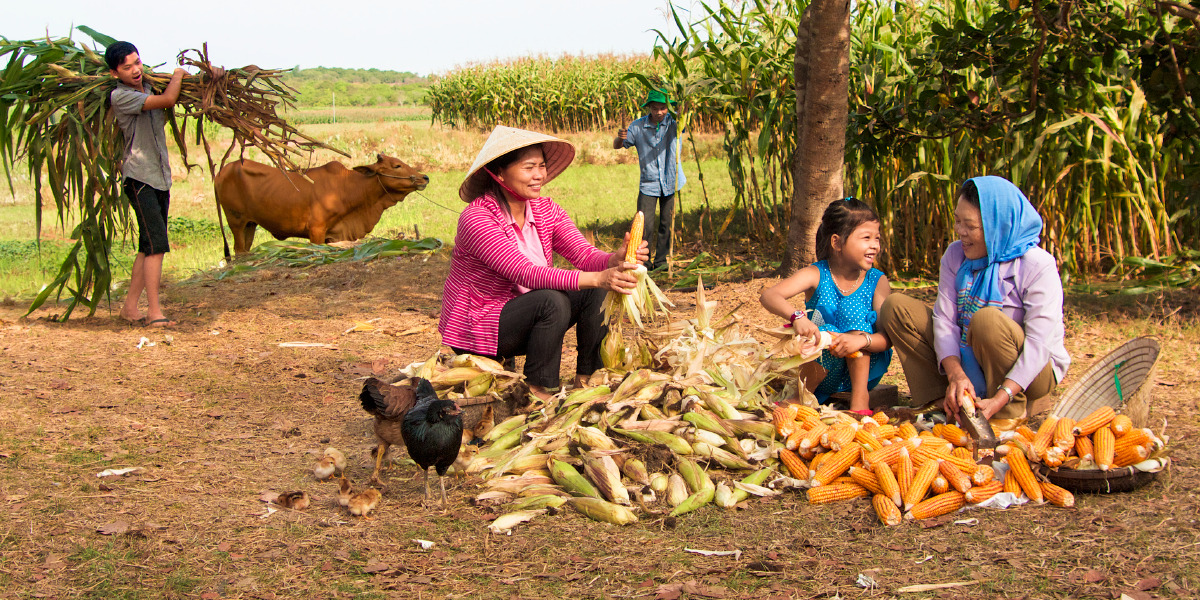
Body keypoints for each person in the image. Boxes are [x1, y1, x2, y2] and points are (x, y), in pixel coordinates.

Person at [440, 126, 649, 401]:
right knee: (554, 300)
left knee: (596, 290)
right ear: (499, 173)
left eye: (542, 166)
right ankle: (538, 389)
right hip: (482, 324)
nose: (539, 175)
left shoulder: (545, 209)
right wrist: (600, 276)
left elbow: (584, 256)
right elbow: (524, 272)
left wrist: (615, 259)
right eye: (528, 168)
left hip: (528, 311)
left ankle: (588, 379)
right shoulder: (477, 218)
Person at [877, 176, 1070, 431]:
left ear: (997, 226)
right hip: (968, 355)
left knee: (986, 319)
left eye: (970, 226)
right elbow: (945, 321)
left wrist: (1003, 396)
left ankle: (1008, 410)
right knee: (896, 307)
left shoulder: (1037, 265)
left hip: (1031, 372)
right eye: (958, 221)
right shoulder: (955, 255)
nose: (960, 232)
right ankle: (943, 400)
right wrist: (956, 374)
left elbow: (1038, 345)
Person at [760, 198, 893, 414]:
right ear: (837, 242)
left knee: (854, 320)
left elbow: (887, 339)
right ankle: (801, 397)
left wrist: (860, 340)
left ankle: (859, 402)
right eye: (866, 238)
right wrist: (797, 317)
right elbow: (770, 295)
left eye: (877, 238)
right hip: (821, 367)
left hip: (864, 367)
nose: (875, 245)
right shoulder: (817, 274)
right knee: (820, 334)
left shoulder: (877, 281)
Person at [107, 41, 186, 327]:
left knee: (147, 244)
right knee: (157, 245)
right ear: (116, 73)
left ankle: (130, 307)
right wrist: (177, 76)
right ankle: (154, 312)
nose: (135, 70)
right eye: (127, 67)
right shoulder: (121, 96)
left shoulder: (150, 88)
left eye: (137, 63)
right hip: (139, 178)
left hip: (160, 177)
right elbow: (168, 101)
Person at [613, 89, 685, 271]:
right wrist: (619, 138)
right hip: (648, 183)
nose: (659, 112)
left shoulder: (675, 122)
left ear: (668, 108)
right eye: (655, 108)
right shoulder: (637, 127)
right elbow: (618, 145)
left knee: (667, 224)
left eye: (663, 108)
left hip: (671, 180)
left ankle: (661, 262)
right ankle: (644, 263)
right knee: (645, 226)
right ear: (649, 108)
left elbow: (686, 115)